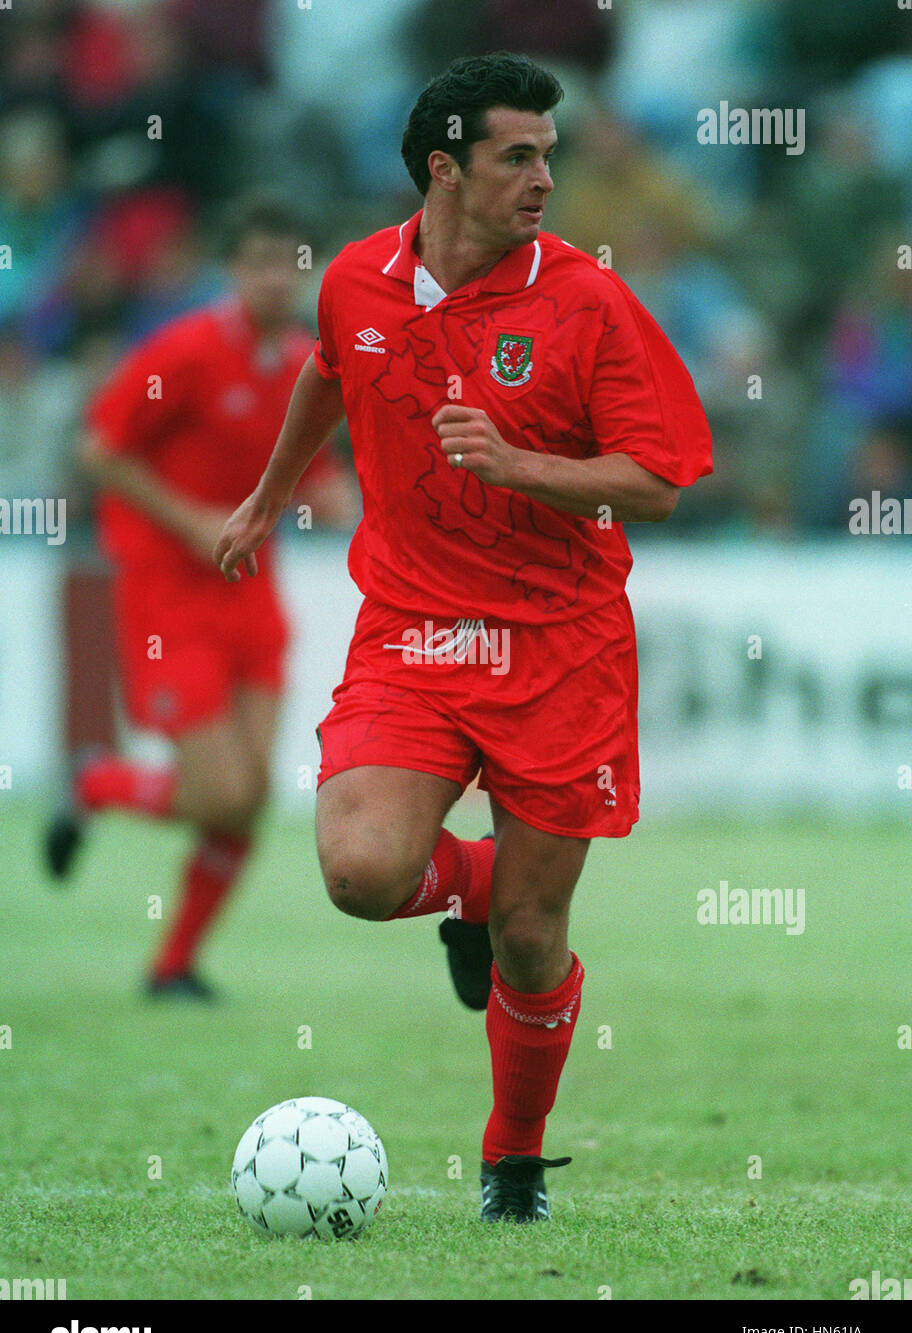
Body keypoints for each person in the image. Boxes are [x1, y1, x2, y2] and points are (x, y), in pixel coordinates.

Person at [214, 53, 713, 1220]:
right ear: (445, 166)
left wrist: (519, 464)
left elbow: (659, 480)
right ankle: (472, 888)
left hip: (561, 645)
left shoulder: (588, 299)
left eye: (550, 155)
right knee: (360, 870)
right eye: (517, 156)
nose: (545, 177)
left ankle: (514, 1160)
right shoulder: (353, 279)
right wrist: (268, 490)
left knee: (537, 942)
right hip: (417, 628)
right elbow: (331, 373)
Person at [45, 195, 356, 999]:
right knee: (220, 790)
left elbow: (311, 470)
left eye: (291, 268)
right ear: (231, 270)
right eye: (260, 265)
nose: (276, 283)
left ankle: (174, 965)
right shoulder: (182, 353)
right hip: (168, 599)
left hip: (253, 595)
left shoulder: (300, 363)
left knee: (248, 801)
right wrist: (188, 518)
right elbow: (100, 447)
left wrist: (339, 500)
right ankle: (96, 783)